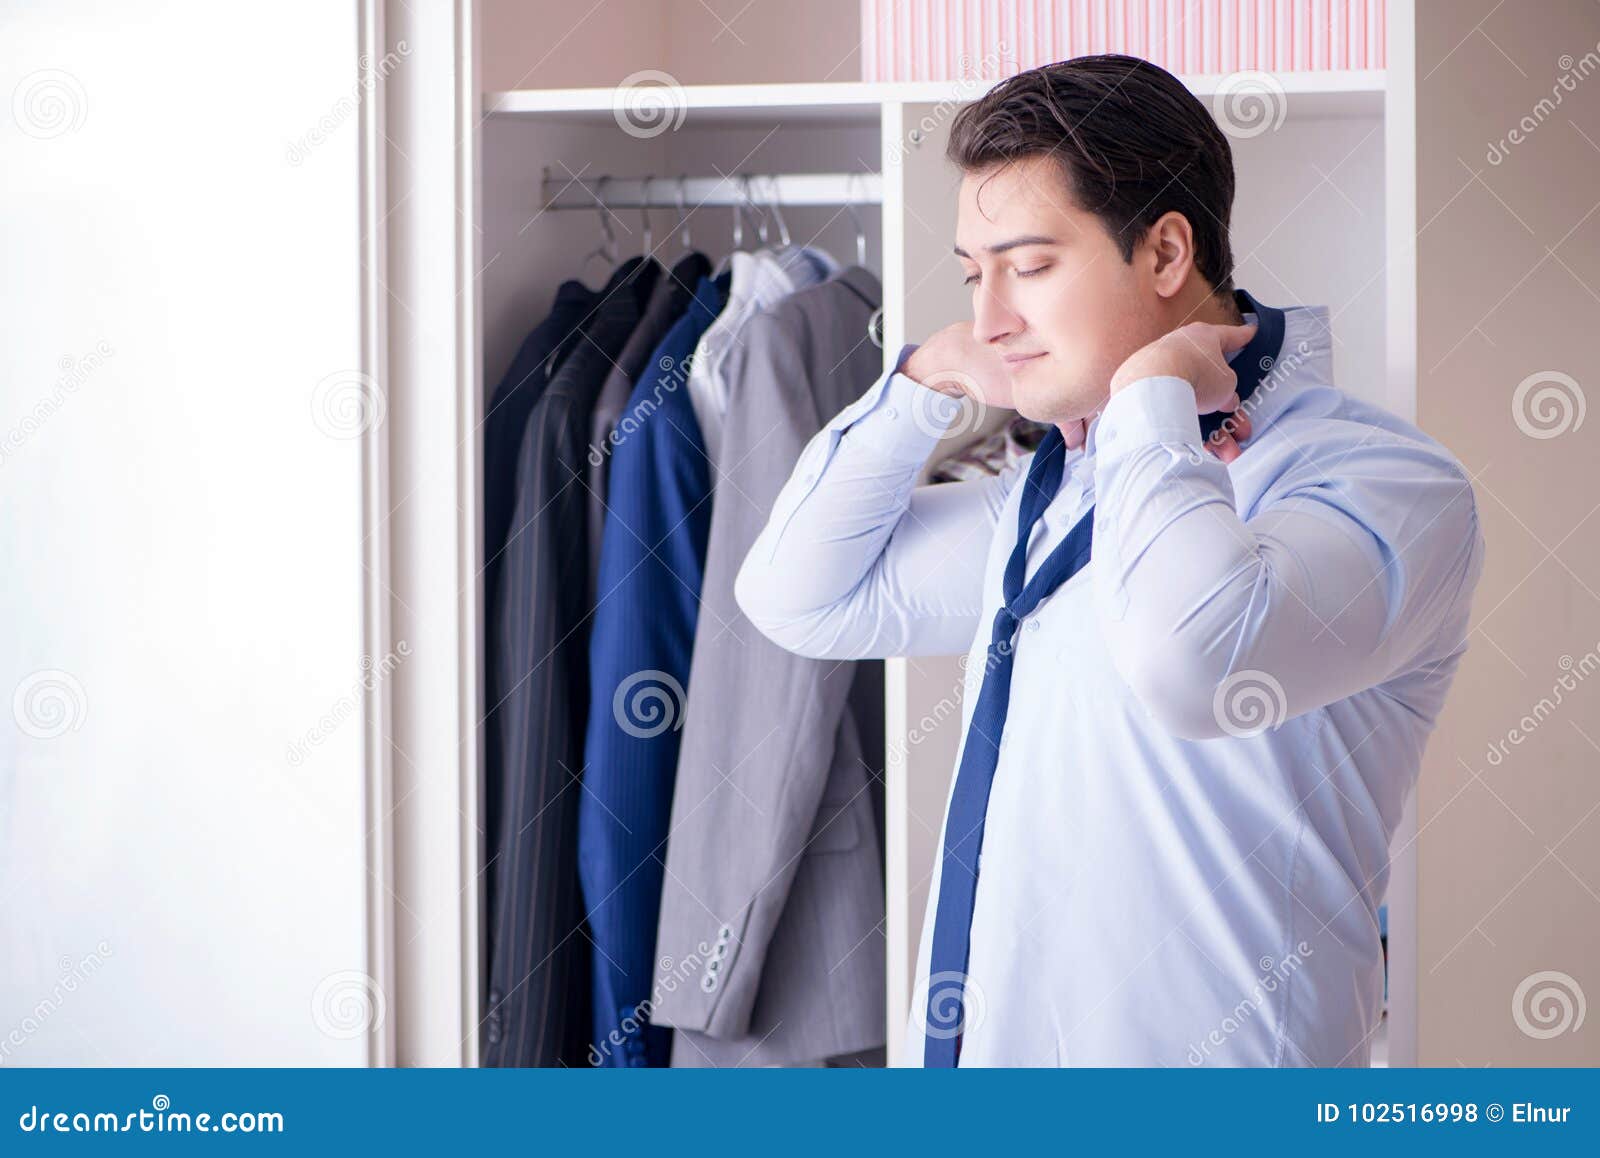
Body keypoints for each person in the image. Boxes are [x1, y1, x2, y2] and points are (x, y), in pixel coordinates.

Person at [734, 54, 1485, 1067]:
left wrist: (1149, 395)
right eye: (974, 273)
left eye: (1029, 266)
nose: (990, 319)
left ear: (1166, 251)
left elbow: (1194, 664)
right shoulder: (1050, 499)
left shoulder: (1381, 486)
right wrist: (919, 384)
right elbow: (798, 598)